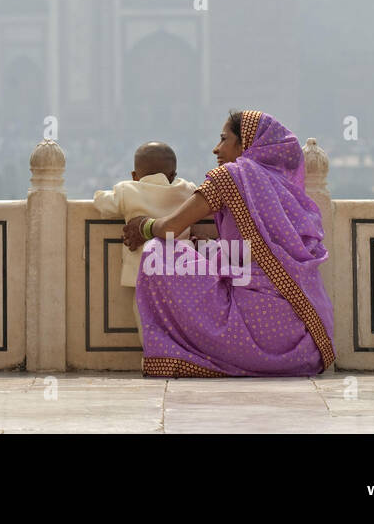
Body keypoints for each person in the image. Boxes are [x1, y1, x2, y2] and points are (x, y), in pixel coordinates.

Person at [122, 109, 336, 377]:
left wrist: (143, 225)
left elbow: (170, 228)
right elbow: (255, 253)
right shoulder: (283, 186)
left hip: (255, 331)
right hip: (305, 345)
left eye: (224, 139)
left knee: (158, 251)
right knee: (203, 254)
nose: (216, 148)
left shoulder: (229, 177)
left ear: (245, 144)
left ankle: (179, 353)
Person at [94, 141, 198, 344]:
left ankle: (152, 356)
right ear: (173, 175)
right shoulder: (187, 190)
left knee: (146, 318)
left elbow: (103, 203)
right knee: (178, 319)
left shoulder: (127, 190)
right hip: (180, 271)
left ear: (134, 175)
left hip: (143, 273)